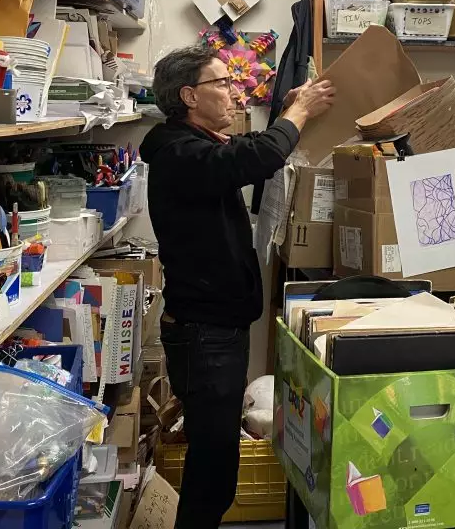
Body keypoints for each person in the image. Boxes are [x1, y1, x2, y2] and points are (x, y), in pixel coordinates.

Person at [140, 45, 334, 529]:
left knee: (217, 462)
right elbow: (257, 157)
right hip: (205, 333)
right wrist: (297, 113)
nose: (234, 92)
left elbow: (248, 151)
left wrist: (289, 109)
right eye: (222, 83)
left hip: (216, 328)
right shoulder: (179, 153)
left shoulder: (196, 144)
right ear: (189, 95)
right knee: (212, 470)